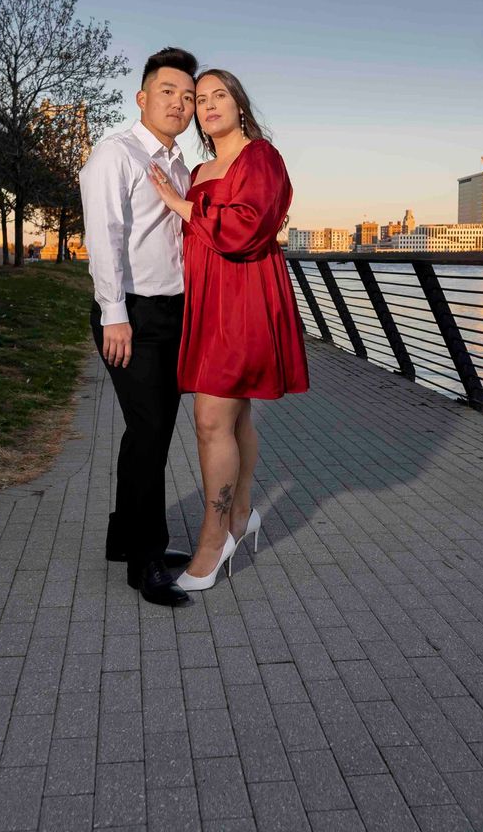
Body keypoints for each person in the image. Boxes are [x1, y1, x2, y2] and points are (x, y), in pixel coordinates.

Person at [147, 68, 309, 592]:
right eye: (201, 99)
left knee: (210, 419)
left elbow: (246, 227)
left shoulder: (260, 157)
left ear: (240, 105)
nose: (210, 105)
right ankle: (241, 516)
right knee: (234, 417)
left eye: (221, 95)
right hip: (207, 301)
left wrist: (180, 205)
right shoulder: (198, 170)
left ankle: (213, 543)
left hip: (243, 301)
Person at [79, 47, 201, 608]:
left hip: (173, 312)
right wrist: (114, 313)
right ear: (142, 97)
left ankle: (124, 538)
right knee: (150, 431)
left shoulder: (178, 163)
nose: (179, 103)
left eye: (188, 96)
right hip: (132, 313)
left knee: (149, 432)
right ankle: (145, 560)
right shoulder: (116, 154)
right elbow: (103, 236)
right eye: (168, 92)